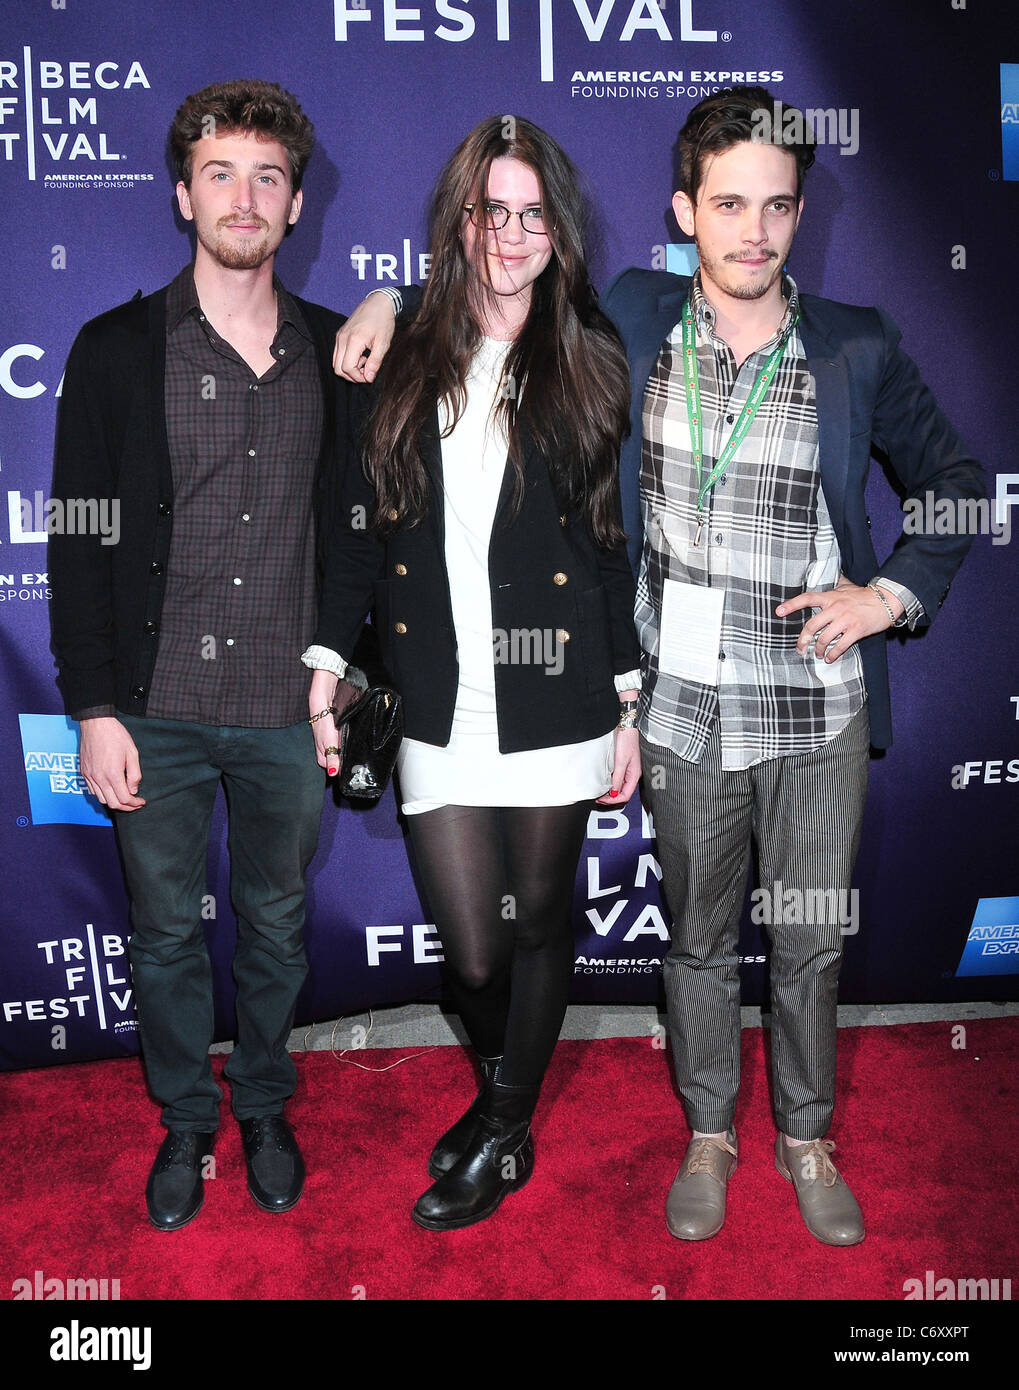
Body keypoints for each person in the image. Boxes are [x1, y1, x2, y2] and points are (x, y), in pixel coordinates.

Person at [335, 87, 985, 1247]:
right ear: (685, 212)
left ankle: (805, 1137)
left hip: (812, 700)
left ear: (799, 213)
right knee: (693, 940)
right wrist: (390, 298)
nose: (753, 231)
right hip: (679, 706)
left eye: (775, 205)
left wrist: (886, 595)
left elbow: (955, 485)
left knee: (808, 943)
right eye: (727, 204)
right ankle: (708, 1132)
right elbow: (497, 287)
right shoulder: (628, 319)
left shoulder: (856, 344)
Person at [305, 114, 642, 1231]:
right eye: (490, 211)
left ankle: (503, 1125)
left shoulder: (588, 353)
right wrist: (326, 662)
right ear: (460, 220)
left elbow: (607, 543)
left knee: (539, 921)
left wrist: (627, 701)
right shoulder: (401, 354)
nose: (510, 234)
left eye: (531, 214)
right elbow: (360, 534)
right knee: (475, 949)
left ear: (558, 229)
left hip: (559, 695)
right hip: (440, 697)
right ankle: (506, 1097)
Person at [49, 79, 361, 1230]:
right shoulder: (114, 351)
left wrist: (340, 678)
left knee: (276, 926)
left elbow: (363, 531)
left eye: (267, 177)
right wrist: (93, 707)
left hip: (287, 706)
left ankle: (264, 1105)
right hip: (155, 705)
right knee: (167, 932)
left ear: (295, 204)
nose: (244, 197)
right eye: (219, 174)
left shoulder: (342, 351)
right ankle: (186, 1120)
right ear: (184, 195)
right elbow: (77, 539)